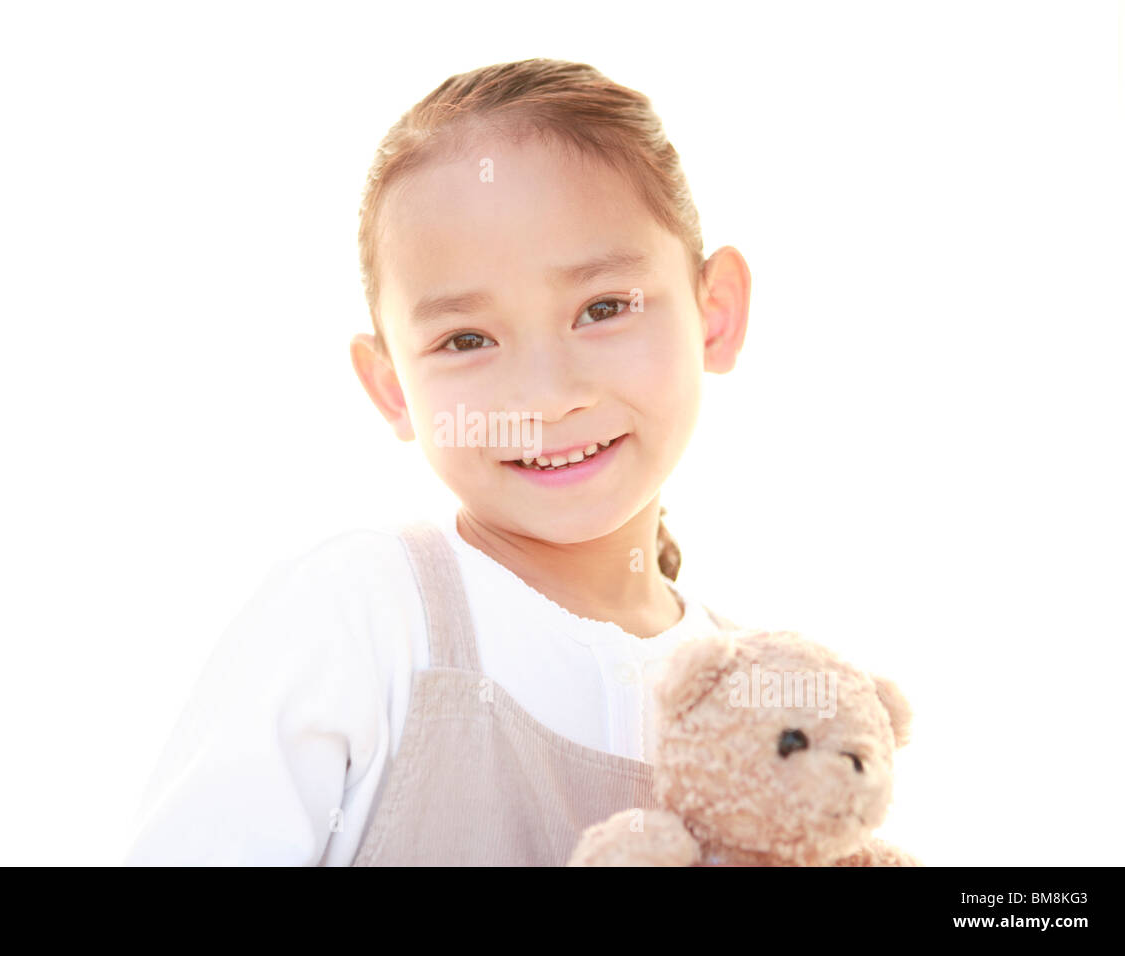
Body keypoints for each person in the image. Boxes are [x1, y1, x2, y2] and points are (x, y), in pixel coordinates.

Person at [124, 57, 751, 866]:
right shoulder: (367, 615)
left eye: (602, 309)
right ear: (392, 388)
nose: (547, 395)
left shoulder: (768, 696)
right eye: (466, 340)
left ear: (715, 315)